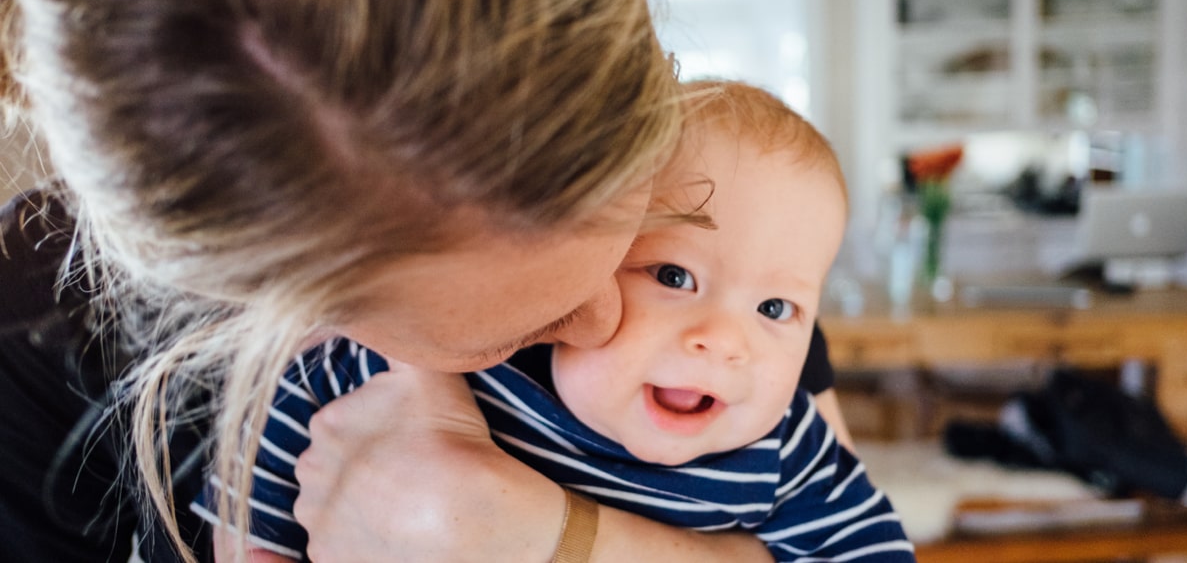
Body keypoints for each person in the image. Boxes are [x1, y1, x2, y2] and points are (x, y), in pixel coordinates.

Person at [0, 0, 842, 562]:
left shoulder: (721, 255)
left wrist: (551, 537)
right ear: (291, 311)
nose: (609, 318)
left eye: (638, 251)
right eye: (520, 328)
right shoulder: (31, 335)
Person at [211, 81, 914, 562]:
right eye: (673, 277)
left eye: (775, 309)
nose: (725, 341)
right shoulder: (468, 356)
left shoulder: (785, 449)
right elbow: (266, 466)